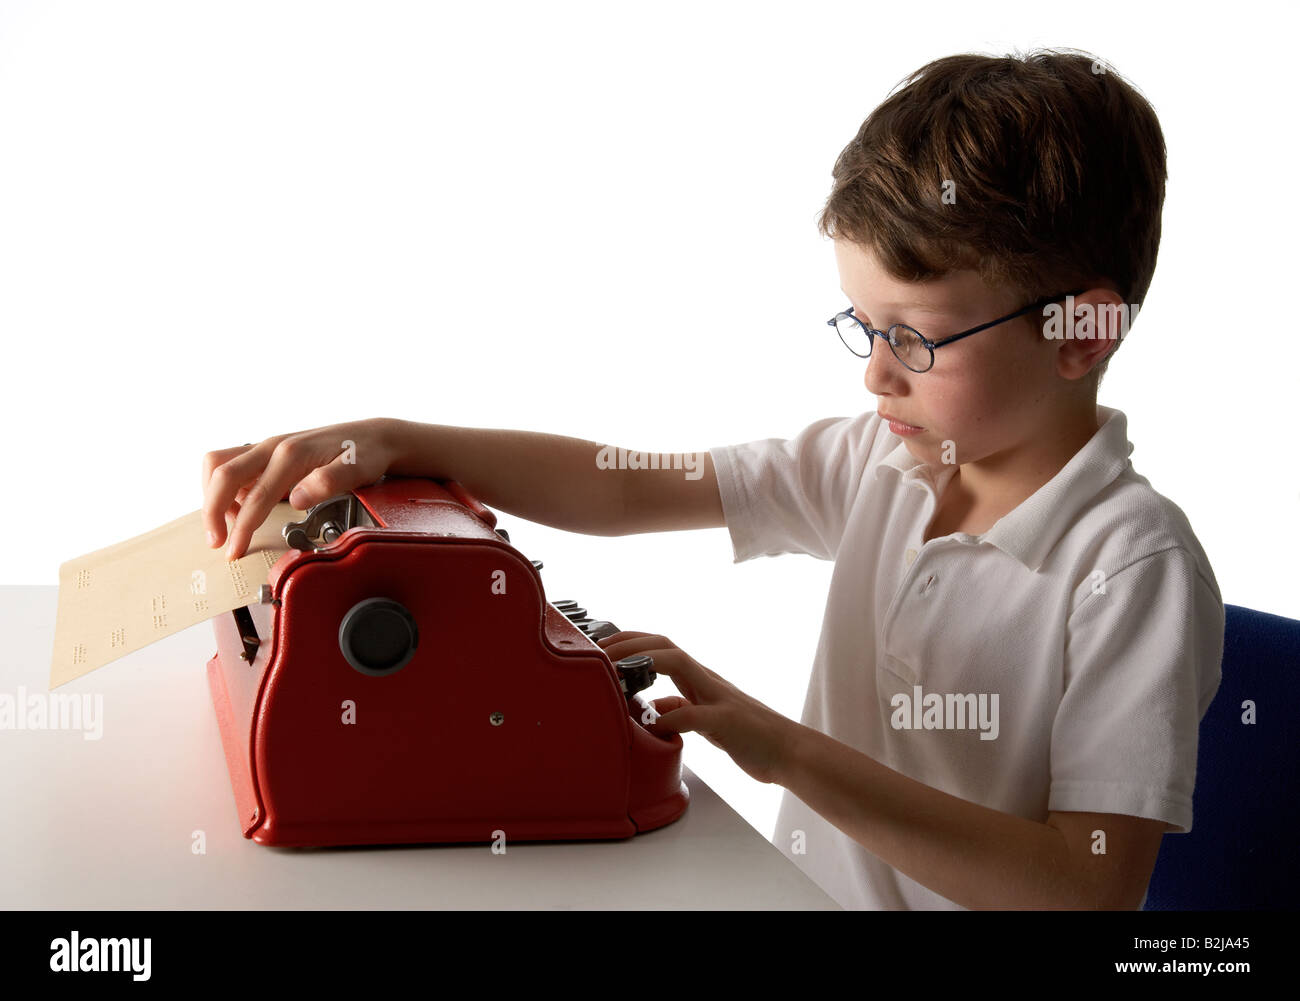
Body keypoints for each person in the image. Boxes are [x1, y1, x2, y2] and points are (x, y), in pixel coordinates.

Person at [200, 48, 1223, 910]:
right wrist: (403, 435)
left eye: (914, 337)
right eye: (864, 327)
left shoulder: (1132, 566)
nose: (872, 372)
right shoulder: (882, 460)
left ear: (1081, 332)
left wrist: (782, 748)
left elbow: (1085, 887)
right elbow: (630, 484)